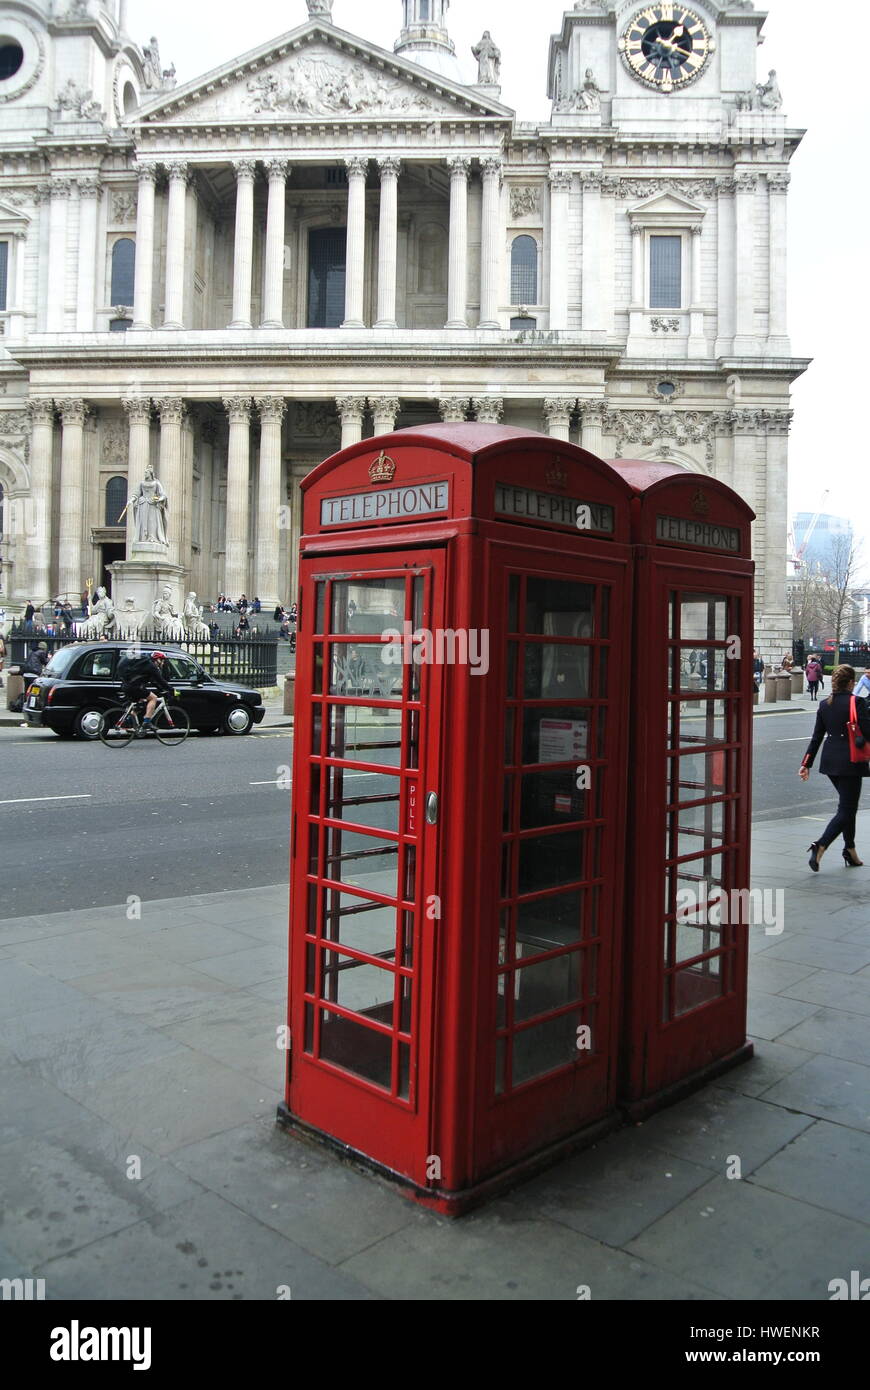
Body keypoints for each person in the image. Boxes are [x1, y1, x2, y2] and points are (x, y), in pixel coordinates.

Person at [799, 664, 870, 870]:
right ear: (849, 683)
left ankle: (850, 850)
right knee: (847, 809)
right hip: (851, 761)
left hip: (830, 762)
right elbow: (867, 731)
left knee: (846, 807)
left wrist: (806, 764)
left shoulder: (824, 704)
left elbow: (816, 737)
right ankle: (821, 845)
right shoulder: (856, 702)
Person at [117, 650, 175, 734]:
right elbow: (161, 680)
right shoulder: (151, 666)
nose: (162, 663)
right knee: (153, 698)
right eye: (162, 660)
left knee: (142, 702)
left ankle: (131, 723)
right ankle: (146, 722)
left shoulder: (145, 664)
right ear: (157, 659)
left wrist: (162, 690)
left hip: (128, 686)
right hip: (134, 687)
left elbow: (153, 681)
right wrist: (172, 690)